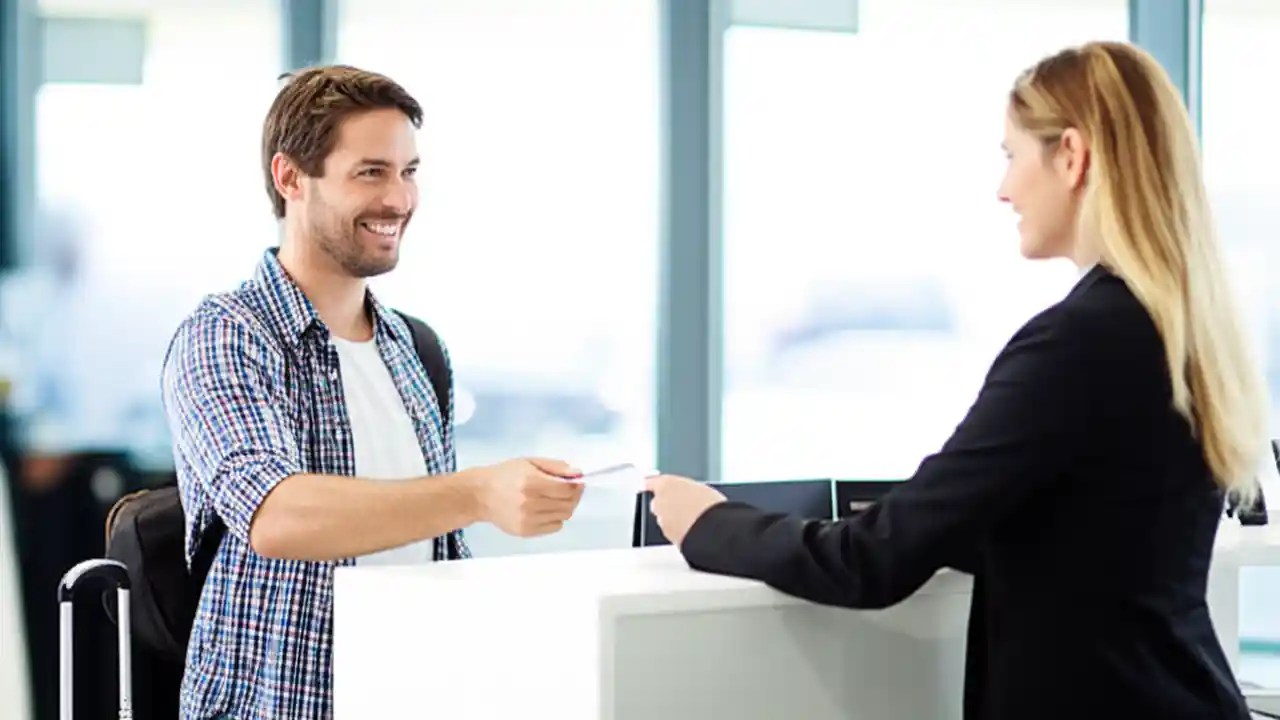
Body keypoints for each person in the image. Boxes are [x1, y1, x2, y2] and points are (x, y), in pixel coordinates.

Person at [646, 41, 1267, 720]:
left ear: (1071, 154)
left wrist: (709, 522)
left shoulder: (1079, 340)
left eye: (1010, 155)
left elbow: (872, 563)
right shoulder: (1179, 329)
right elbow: (1094, 541)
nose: (1003, 189)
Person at [161, 65, 586, 720]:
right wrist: (478, 493)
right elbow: (275, 515)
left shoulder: (414, 349)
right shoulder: (226, 336)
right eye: (371, 172)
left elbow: (435, 542)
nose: (399, 199)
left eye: (409, 171)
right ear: (290, 178)